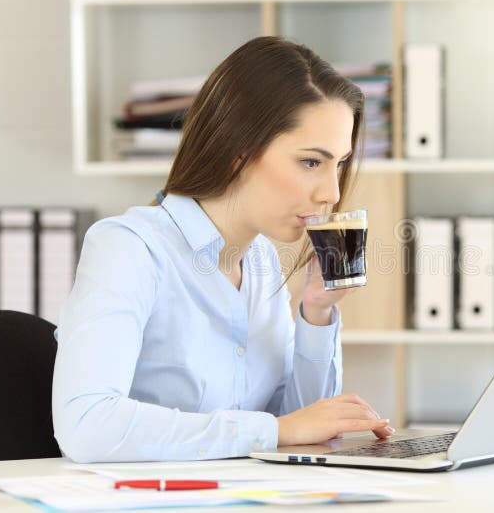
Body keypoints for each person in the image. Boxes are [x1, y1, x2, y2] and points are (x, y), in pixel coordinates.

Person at [52, 36, 394, 463]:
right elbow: (86, 425)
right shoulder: (129, 249)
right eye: (311, 162)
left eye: (339, 164)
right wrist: (274, 430)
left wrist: (317, 311)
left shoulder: (262, 263)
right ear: (238, 150)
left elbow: (296, 430)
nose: (331, 192)